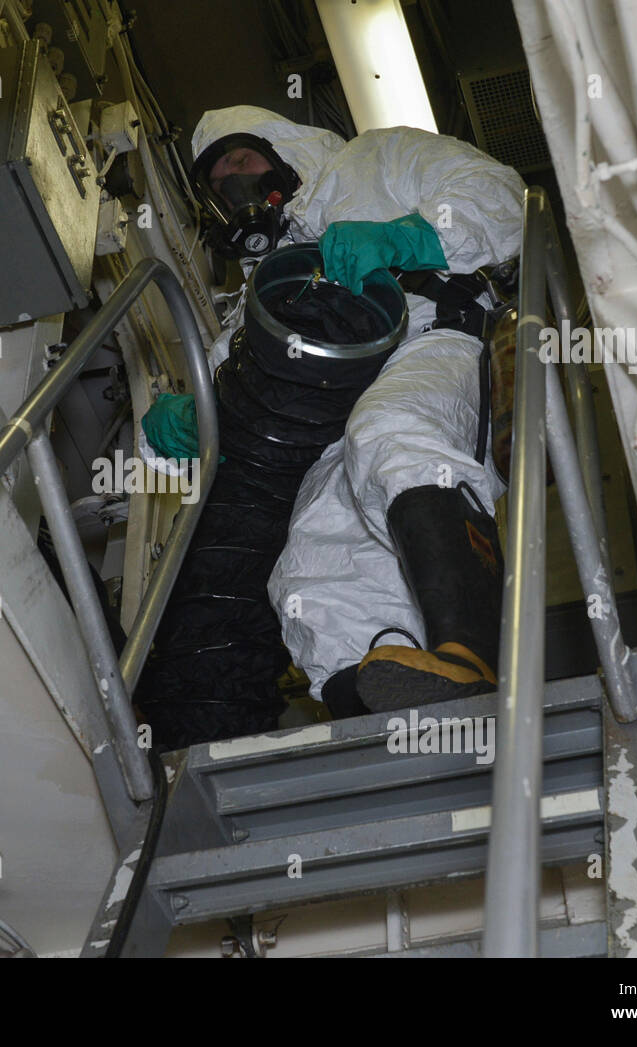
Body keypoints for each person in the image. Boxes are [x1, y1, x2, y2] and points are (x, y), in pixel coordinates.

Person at [183, 105, 526, 718]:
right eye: (216, 181)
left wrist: (406, 237)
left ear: (278, 144)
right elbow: (234, 356)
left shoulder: (375, 159)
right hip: (333, 411)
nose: (232, 179)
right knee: (312, 552)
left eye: (240, 158)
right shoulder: (269, 275)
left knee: (392, 434)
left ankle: (467, 651)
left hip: (433, 338)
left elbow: (496, 194)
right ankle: (373, 706)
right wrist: (194, 414)